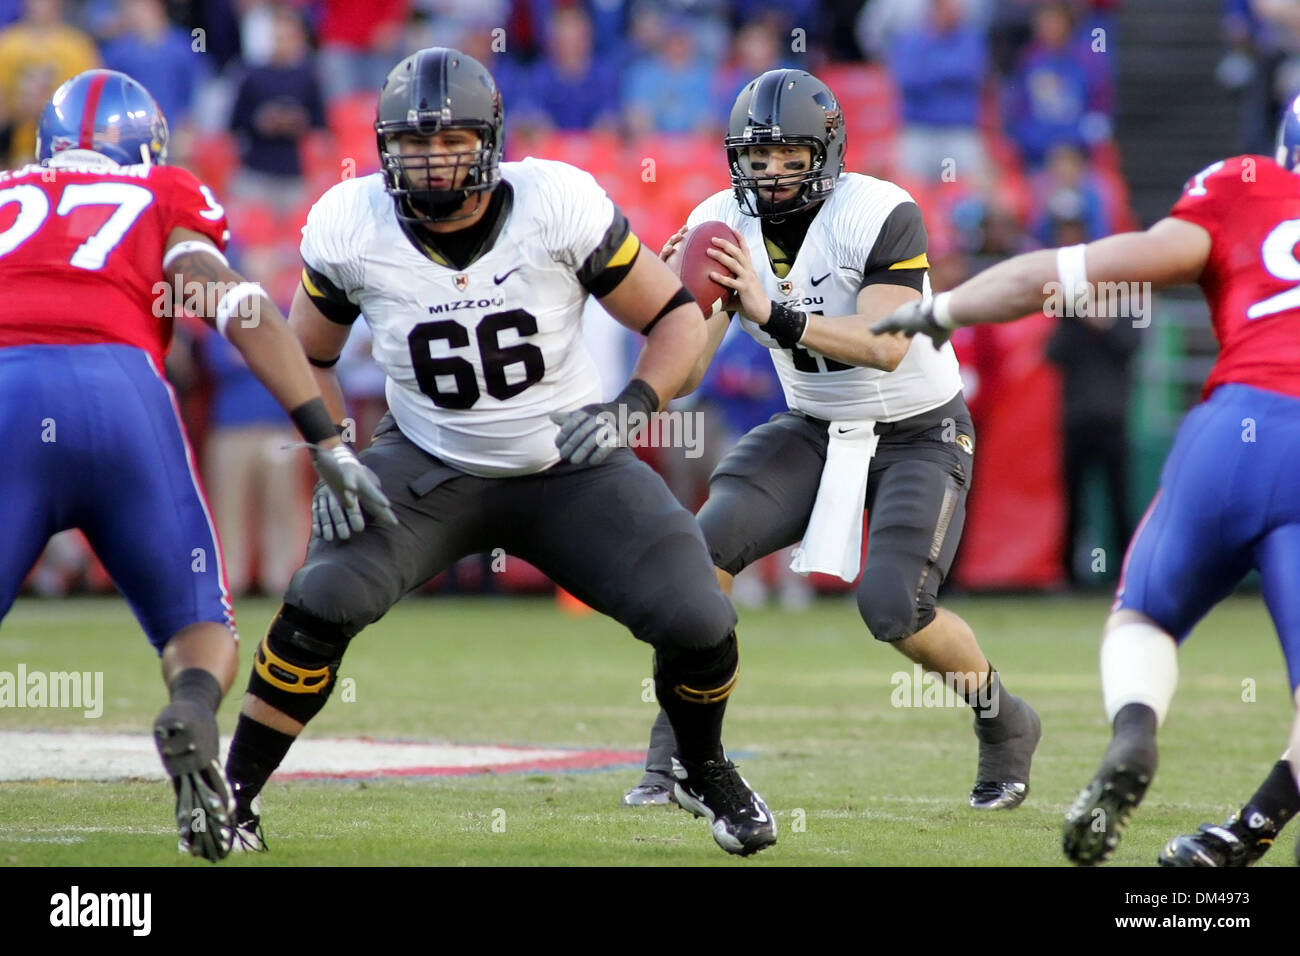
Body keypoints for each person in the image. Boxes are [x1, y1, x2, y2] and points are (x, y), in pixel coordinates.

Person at [219, 47, 776, 858]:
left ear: (492, 142)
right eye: (414, 144)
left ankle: (701, 765)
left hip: (568, 464)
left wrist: (632, 407)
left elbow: (676, 315)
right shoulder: (350, 222)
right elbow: (308, 352)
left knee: (700, 618)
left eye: (451, 142)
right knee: (320, 602)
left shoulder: (556, 203)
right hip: (426, 462)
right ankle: (231, 796)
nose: (433, 161)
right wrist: (332, 446)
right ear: (383, 148)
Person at [872, 94, 1300, 867]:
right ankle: (1258, 819)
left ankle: (1137, 732)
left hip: (1242, 423)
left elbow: (1068, 274)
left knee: (1145, 614)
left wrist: (947, 309)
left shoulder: (1249, 186)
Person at [622, 69, 1042, 812]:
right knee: (697, 559)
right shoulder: (721, 221)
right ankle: (680, 752)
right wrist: (668, 308)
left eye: (790, 156)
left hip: (919, 430)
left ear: (829, 151)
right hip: (813, 424)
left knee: (894, 608)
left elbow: (887, 344)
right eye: (758, 158)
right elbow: (684, 376)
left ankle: (1004, 721)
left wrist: (773, 311)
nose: (773, 173)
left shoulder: (879, 211)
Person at [0, 69, 392, 862]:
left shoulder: (8, 195)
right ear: (147, 147)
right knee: (202, 625)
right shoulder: (163, 191)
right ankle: (189, 709)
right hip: (120, 391)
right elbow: (234, 303)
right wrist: (325, 437)